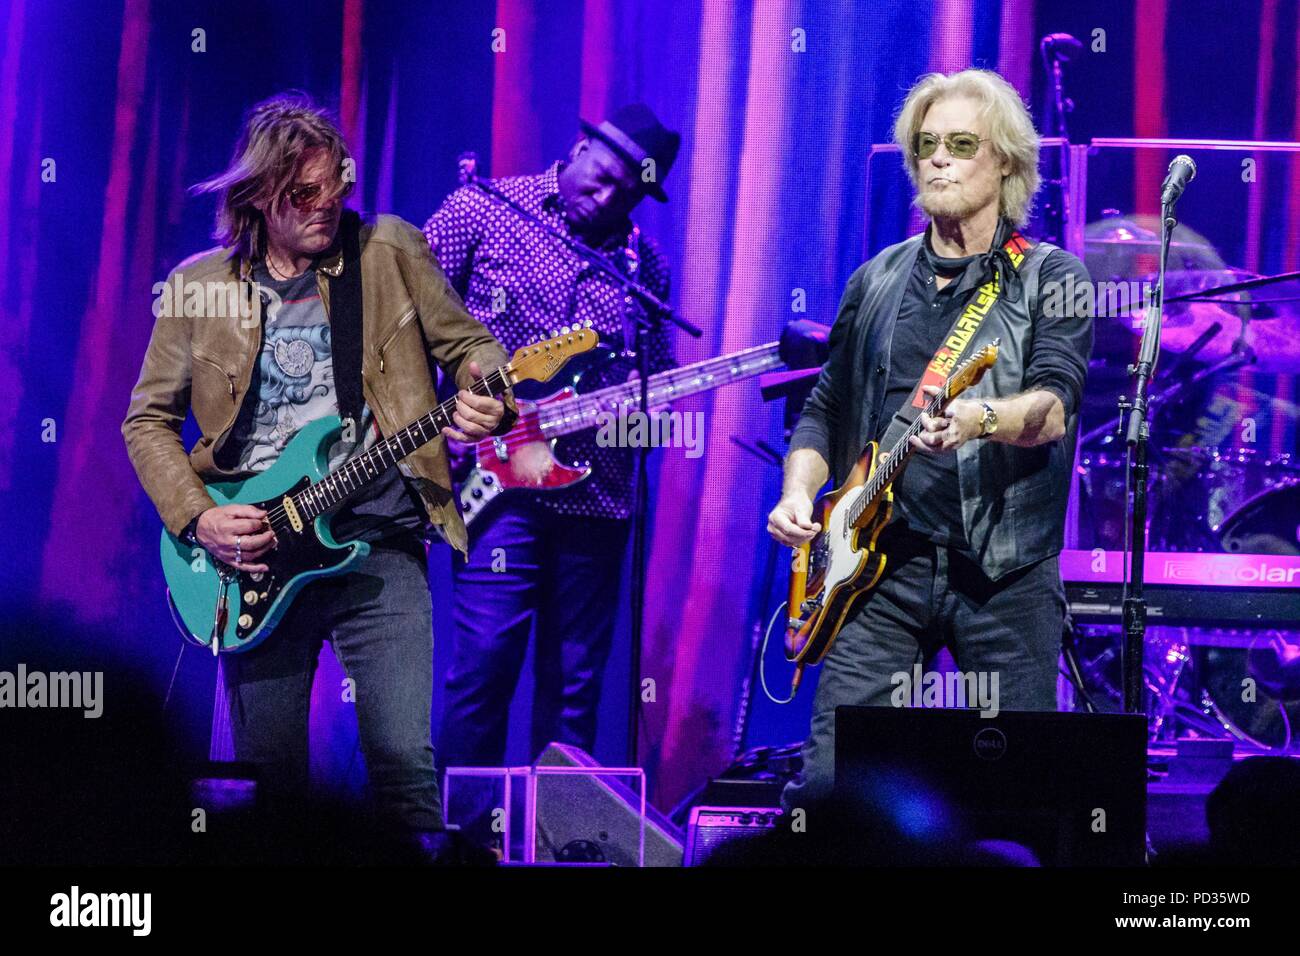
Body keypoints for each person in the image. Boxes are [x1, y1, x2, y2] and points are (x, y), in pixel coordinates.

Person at [122, 92, 513, 854]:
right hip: (251, 555)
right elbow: (147, 422)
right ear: (259, 196)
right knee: (271, 785)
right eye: (302, 194)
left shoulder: (390, 250)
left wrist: (486, 391)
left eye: (337, 182)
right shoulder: (198, 285)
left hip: (380, 537)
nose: (325, 205)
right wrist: (201, 517)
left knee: (404, 767)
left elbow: (477, 348)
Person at [766, 69, 1094, 810]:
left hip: (1003, 575)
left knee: (1020, 794)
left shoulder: (1052, 278)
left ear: (1005, 160)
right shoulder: (876, 280)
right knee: (834, 782)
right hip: (882, 569)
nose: (937, 160)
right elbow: (825, 405)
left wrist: (981, 419)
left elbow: (1053, 406)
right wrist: (797, 490)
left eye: (960, 145)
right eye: (926, 146)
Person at [422, 104, 680, 781]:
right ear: (579, 147)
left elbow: (658, 388)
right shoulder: (481, 209)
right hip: (497, 491)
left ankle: (556, 844)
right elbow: (399, 320)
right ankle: (458, 845)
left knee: (574, 691)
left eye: (630, 190)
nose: (609, 195)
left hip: (595, 500)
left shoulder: (641, 269)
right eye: (604, 175)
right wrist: (435, 423)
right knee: (483, 666)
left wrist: (637, 407)